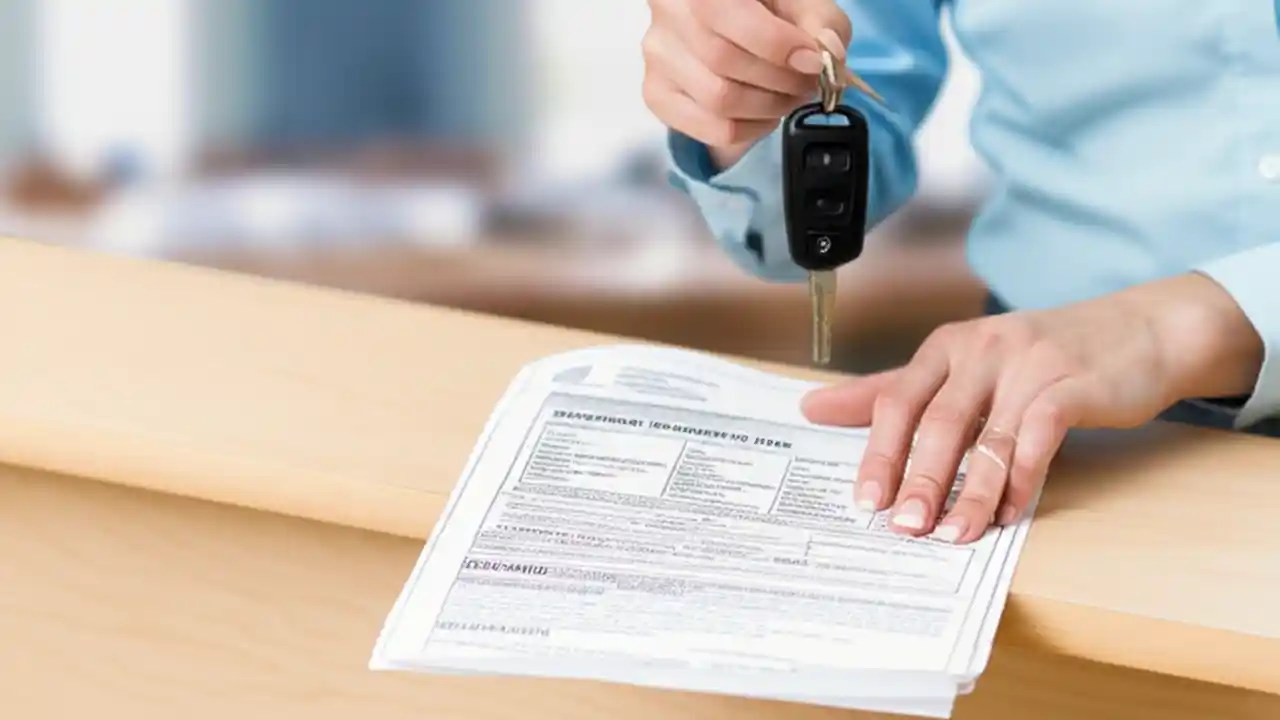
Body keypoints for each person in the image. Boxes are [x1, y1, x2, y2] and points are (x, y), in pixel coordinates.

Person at [642, 0, 1280, 544]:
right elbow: (837, 117)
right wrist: (740, 84)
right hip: (1045, 428)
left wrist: (1182, 326)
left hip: (1050, 393)